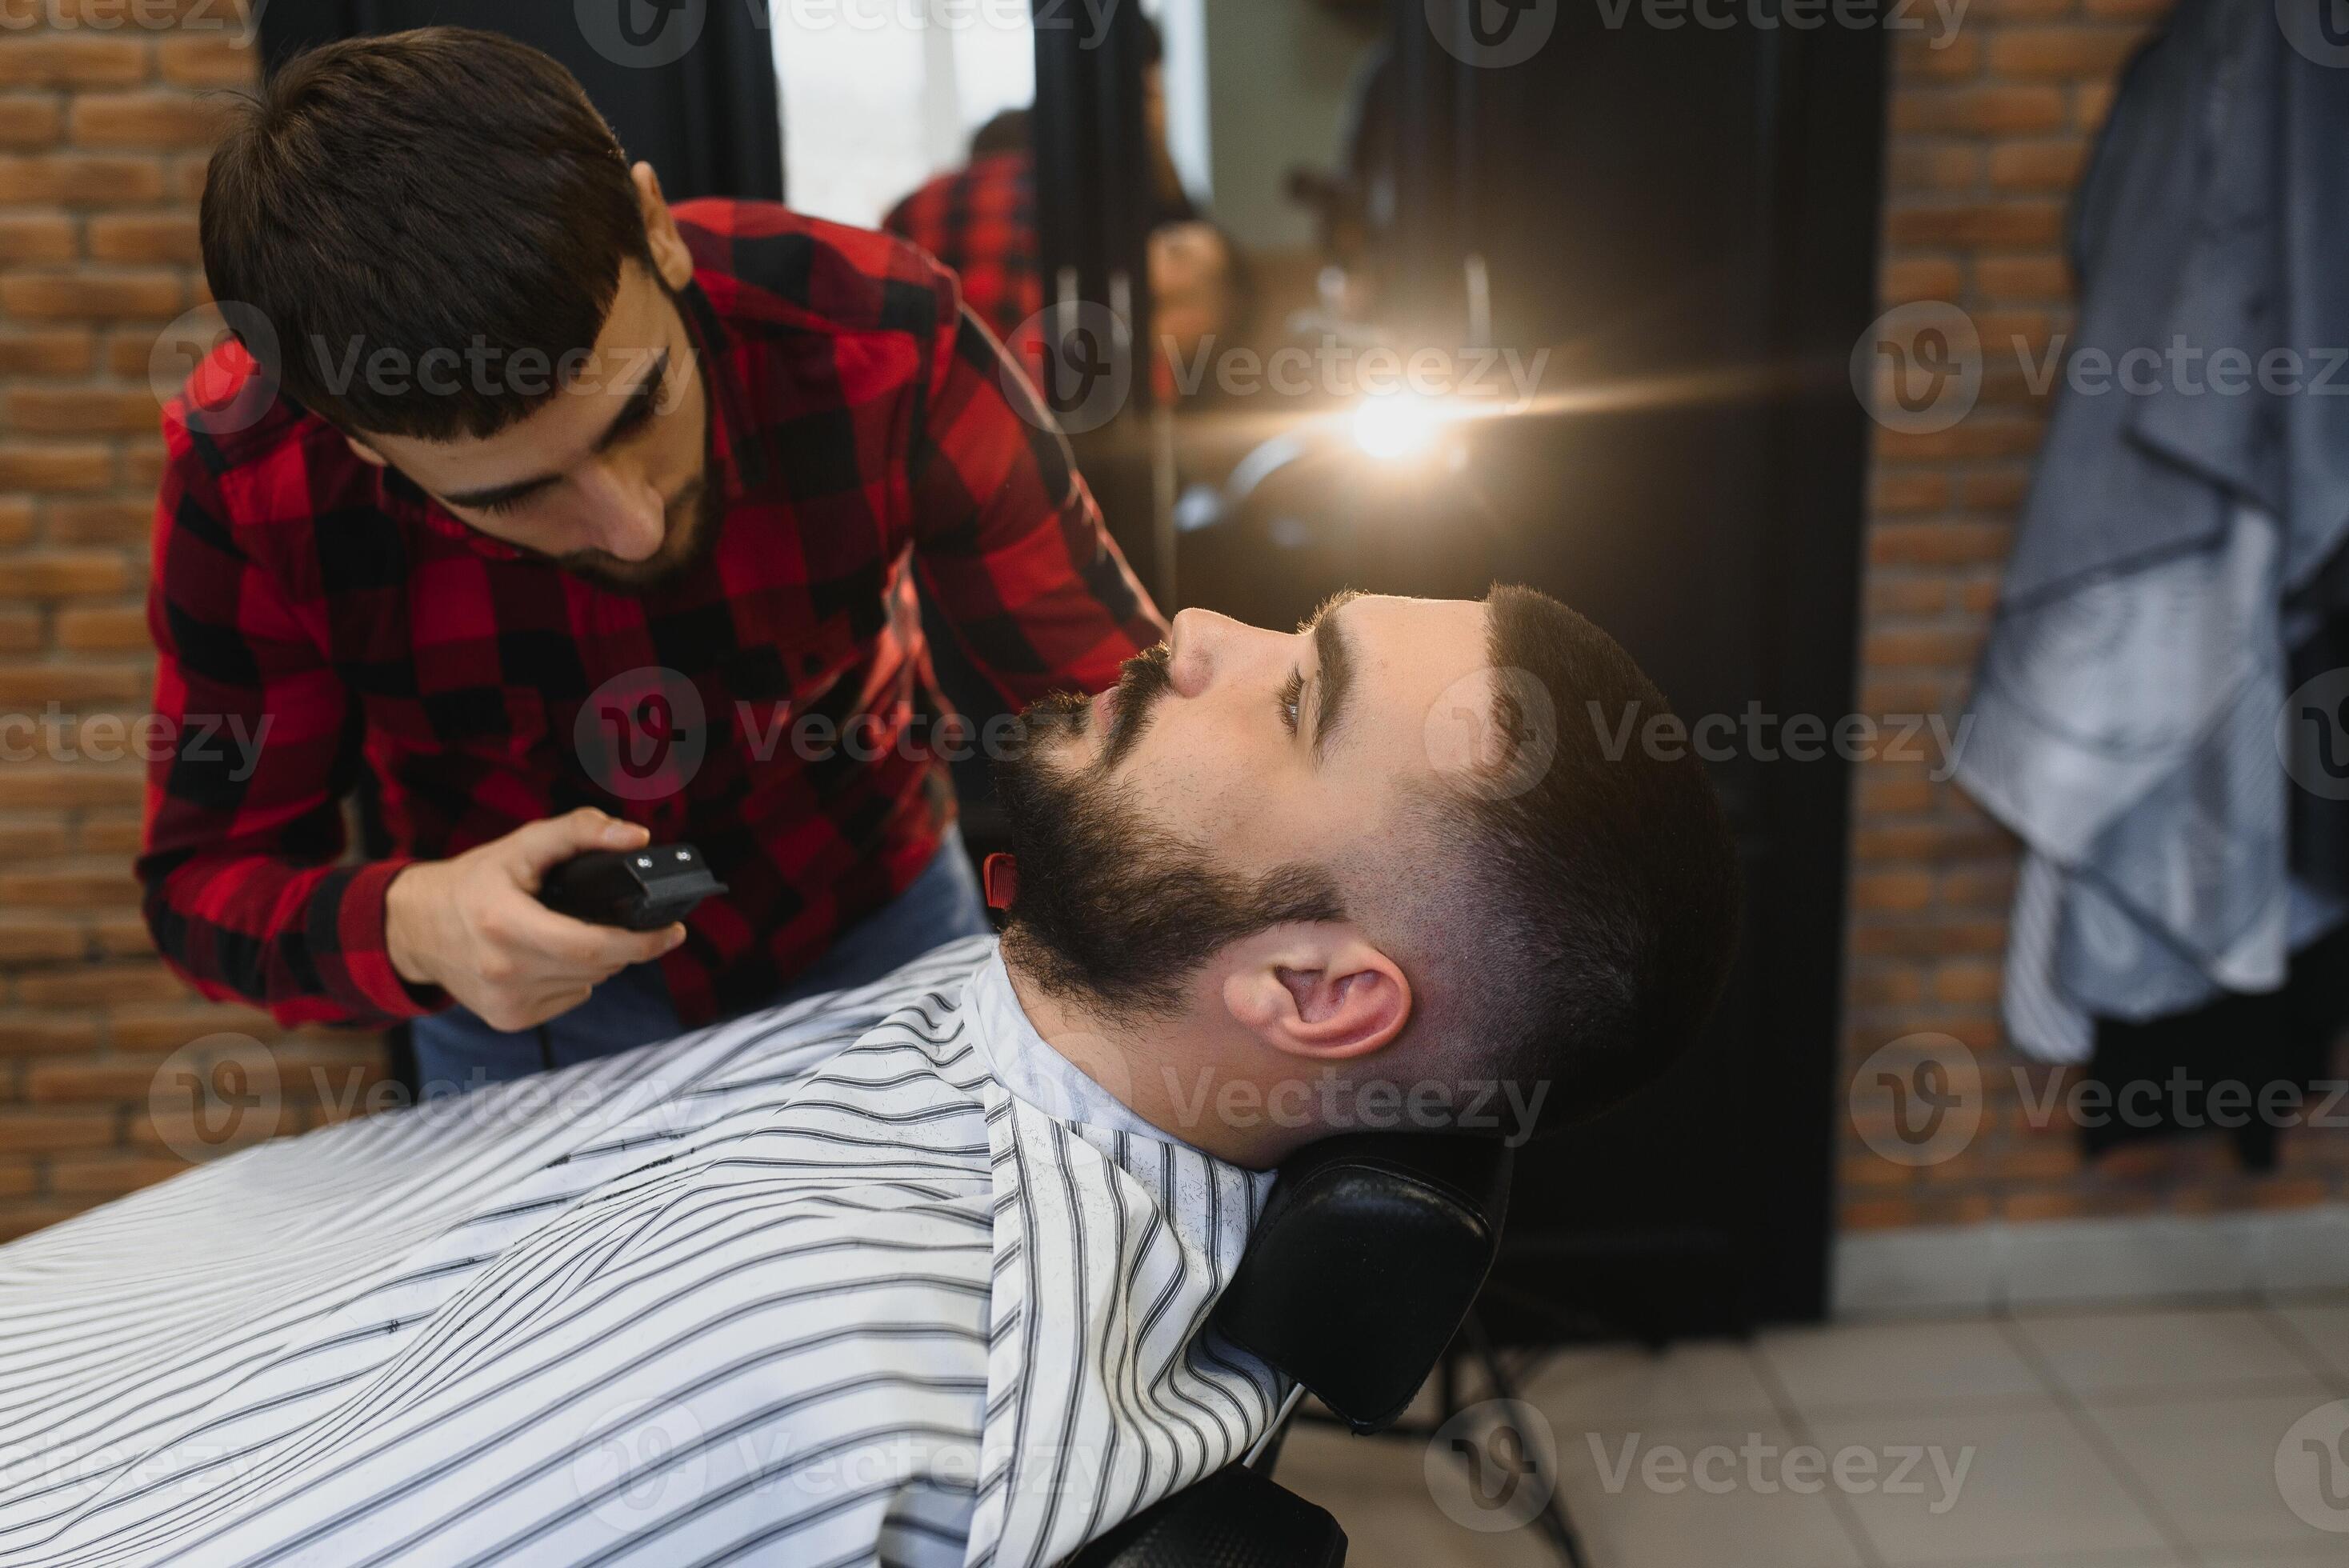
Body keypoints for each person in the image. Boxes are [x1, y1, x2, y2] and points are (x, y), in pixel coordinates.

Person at [0, 586, 1739, 1566]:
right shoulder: (1017, 1014)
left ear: (1312, 986)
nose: (1197, 625)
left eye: (1295, 703)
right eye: (1292, 630)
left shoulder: (832, 1349)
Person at [136, 30, 1166, 1095]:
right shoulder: (255, 479)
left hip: (881, 923)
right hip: (526, 1021)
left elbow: (1132, 726)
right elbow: (204, 885)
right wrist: (414, 926)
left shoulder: (879, 337)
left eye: (640, 408)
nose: (628, 525)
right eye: (512, 493)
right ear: (347, 436)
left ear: (656, 229)